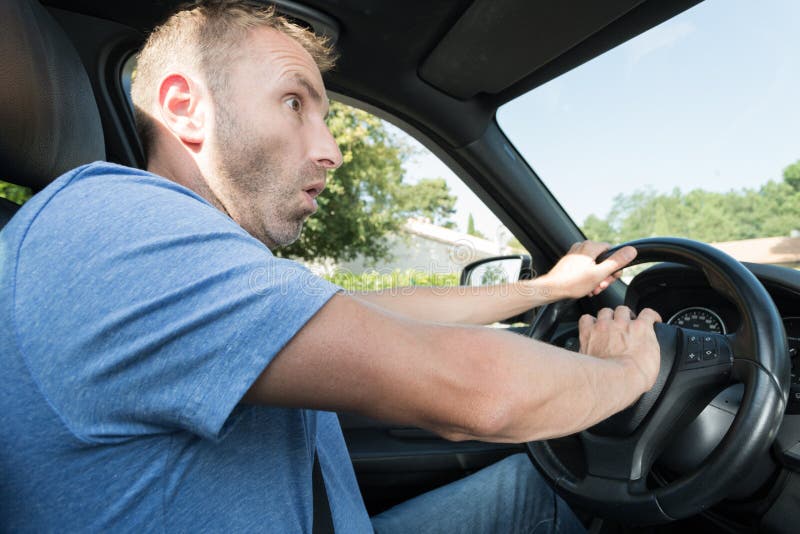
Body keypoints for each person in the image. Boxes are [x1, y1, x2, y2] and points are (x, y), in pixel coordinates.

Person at [0, 1, 661, 532]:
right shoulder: (115, 228)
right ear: (183, 106)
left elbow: (388, 312)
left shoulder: (187, 262)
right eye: (295, 102)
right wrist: (629, 372)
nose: (332, 150)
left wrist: (547, 288)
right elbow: (476, 393)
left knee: (537, 489)